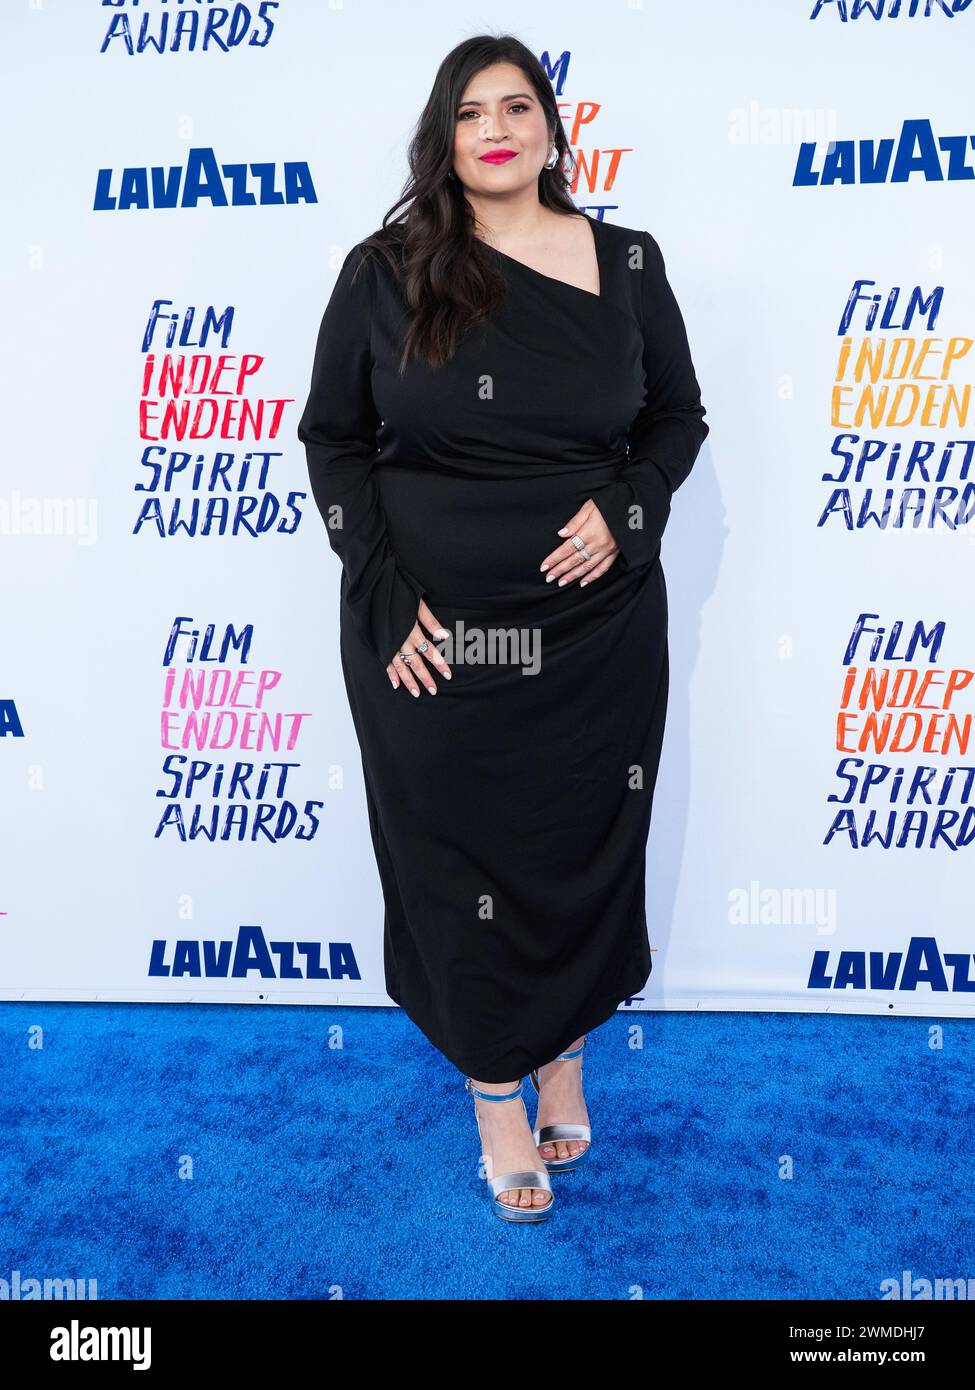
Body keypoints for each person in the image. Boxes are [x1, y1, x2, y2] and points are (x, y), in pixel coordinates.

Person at [297, 34, 709, 1223]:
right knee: (460, 849)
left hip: (596, 632)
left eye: (517, 104)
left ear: (549, 127)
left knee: (578, 836)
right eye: (471, 109)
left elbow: (675, 420)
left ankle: (567, 1049)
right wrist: (379, 596)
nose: (497, 126)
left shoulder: (626, 258)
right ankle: (495, 1093)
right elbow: (334, 440)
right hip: (435, 632)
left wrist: (629, 514)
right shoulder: (386, 269)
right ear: (444, 134)